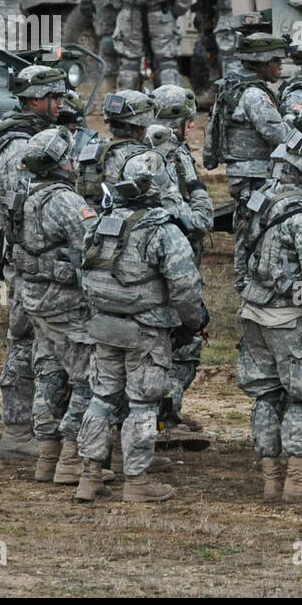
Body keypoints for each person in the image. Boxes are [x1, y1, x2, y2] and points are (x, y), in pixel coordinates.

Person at [75, 152, 206, 503]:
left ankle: (88, 477)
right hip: (145, 331)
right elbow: (186, 287)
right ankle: (136, 482)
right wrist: (193, 324)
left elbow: (83, 274)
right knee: (143, 405)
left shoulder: (101, 224)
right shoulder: (163, 231)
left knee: (101, 399)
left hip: (104, 326)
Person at [236, 134, 302, 503]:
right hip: (291, 319)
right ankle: (297, 478)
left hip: (254, 313)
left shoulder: (260, 202)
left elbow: (240, 259)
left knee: (266, 395)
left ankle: (271, 480)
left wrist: (250, 295)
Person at [14, 127, 100, 485]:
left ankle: (46, 459)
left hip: (34, 300)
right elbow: (94, 245)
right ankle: (71, 459)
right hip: (66, 304)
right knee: (86, 380)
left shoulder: (23, 196)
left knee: (49, 375)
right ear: (63, 162)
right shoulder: (66, 201)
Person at [0, 65, 67, 460]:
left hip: (33, 257)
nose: (60, 104)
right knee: (25, 343)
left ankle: (38, 427)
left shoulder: (31, 135)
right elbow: (22, 205)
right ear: (34, 98)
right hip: (27, 260)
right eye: (55, 97)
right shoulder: (18, 144)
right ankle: (18, 431)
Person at [202, 32, 294, 288]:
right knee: (256, 228)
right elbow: (276, 133)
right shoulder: (255, 94)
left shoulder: (231, 87)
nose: (280, 66)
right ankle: (247, 282)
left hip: (241, 173)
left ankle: (244, 280)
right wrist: (297, 123)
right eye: (277, 61)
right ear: (263, 62)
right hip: (255, 175)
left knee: (245, 224)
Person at [150, 84, 214, 430]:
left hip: (149, 260)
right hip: (175, 257)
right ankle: (165, 416)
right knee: (185, 340)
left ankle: (162, 413)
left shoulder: (141, 149)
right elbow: (192, 220)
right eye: (188, 120)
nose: (191, 127)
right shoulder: (171, 154)